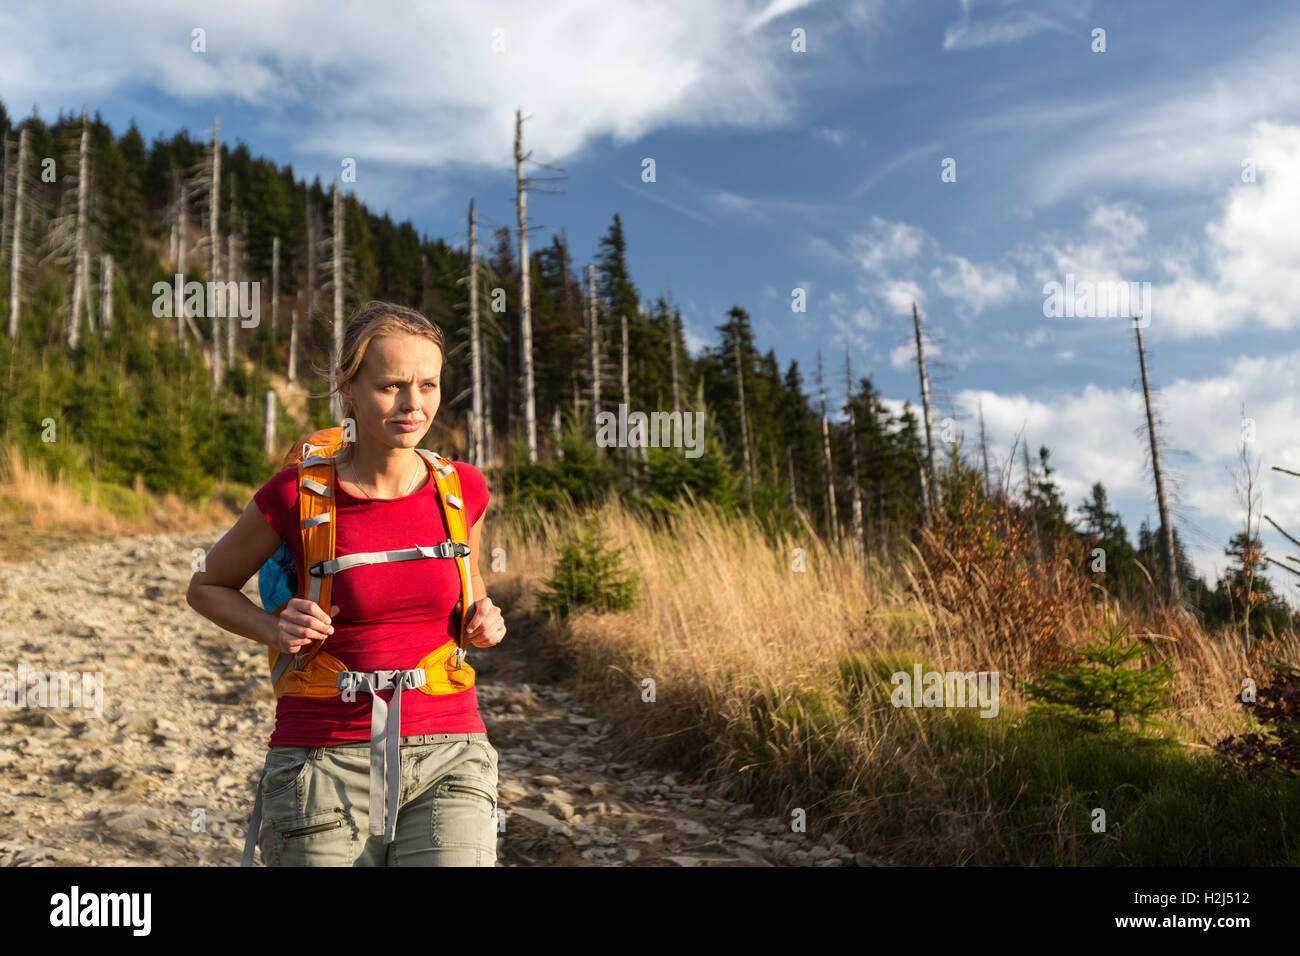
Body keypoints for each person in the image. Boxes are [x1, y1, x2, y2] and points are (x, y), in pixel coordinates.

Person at [186, 300, 506, 866]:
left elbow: (471, 586)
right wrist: (272, 626)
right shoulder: (294, 496)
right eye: (391, 386)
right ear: (347, 387)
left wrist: (486, 616)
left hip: (449, 749)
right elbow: (205, 586)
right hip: (321, 756)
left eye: (428, 385)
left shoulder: (463, 492)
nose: (414, 405)